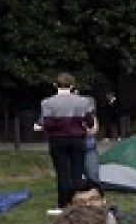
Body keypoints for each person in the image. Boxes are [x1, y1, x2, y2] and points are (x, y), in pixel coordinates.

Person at [38, 72, 98, 208]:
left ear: (55, 85)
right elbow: (89, 122)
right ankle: (77, 202)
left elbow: (47, 123)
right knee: (78, 172)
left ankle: (63, 204)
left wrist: (40, 126)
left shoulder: (47, 103)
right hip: (77, 139)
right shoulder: (83, 102)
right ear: (72, 85)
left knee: (62, 173)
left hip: (57, 140)